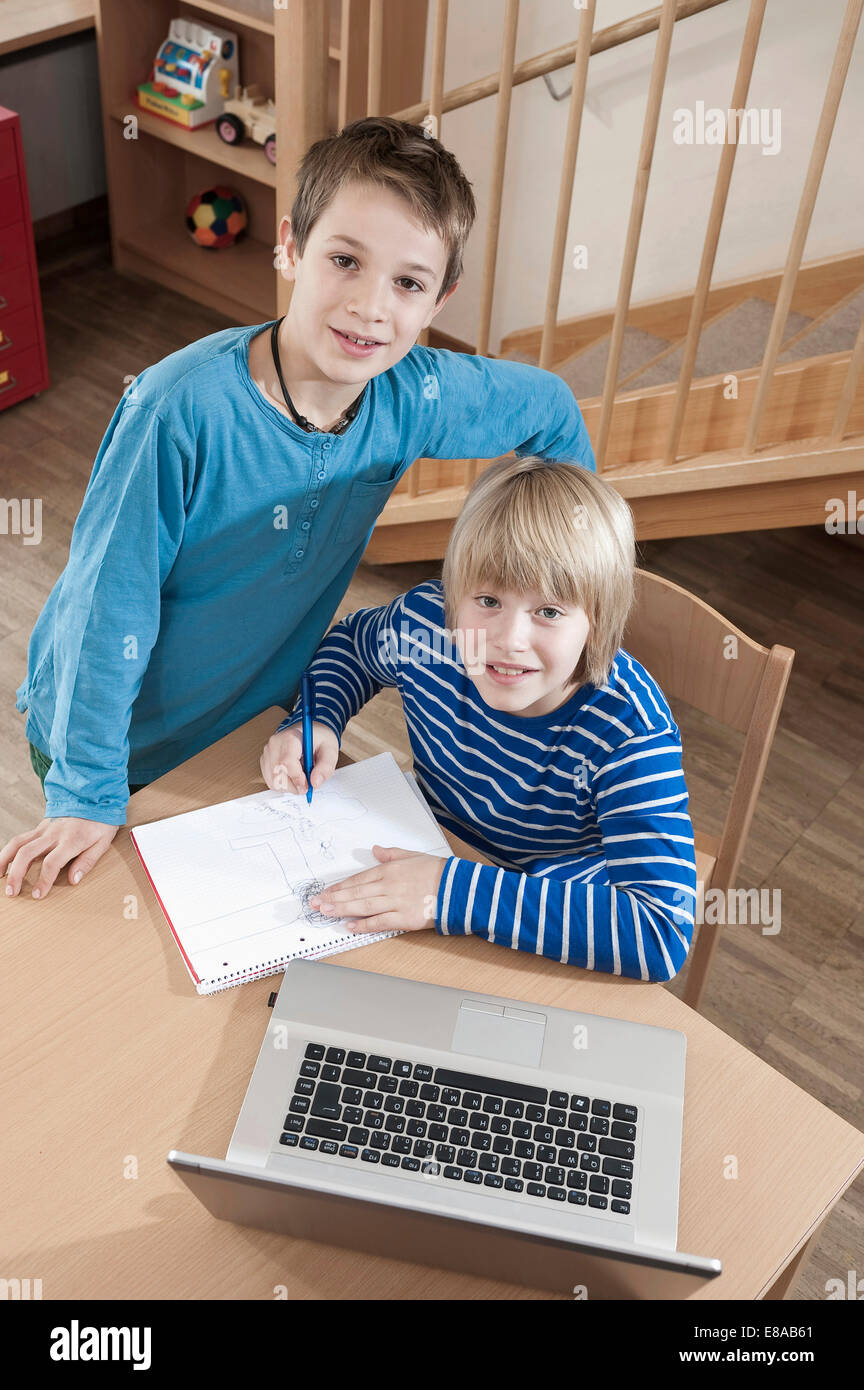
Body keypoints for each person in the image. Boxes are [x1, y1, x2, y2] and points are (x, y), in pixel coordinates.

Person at [2, 116, 594, 902]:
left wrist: (567, 577)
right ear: (290, 248)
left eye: (408, 283)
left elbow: (550, 409)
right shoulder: (178, 412)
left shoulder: (413, 392)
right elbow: (106, 610)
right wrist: (86, 790)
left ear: (438, 300)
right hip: (109, 743)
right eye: (345, 261)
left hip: (251, 737)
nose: (370, 308)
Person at [261, 457, 697, 982]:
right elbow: (354, 645)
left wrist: (449, 891)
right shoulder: (428, 628)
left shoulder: (629, 729)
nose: (508, 638)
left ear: (597, 620)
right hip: (426, 848)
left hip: (541, 910)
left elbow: (660, 931)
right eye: (487, 599)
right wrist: (317, 719)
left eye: (550, 612)